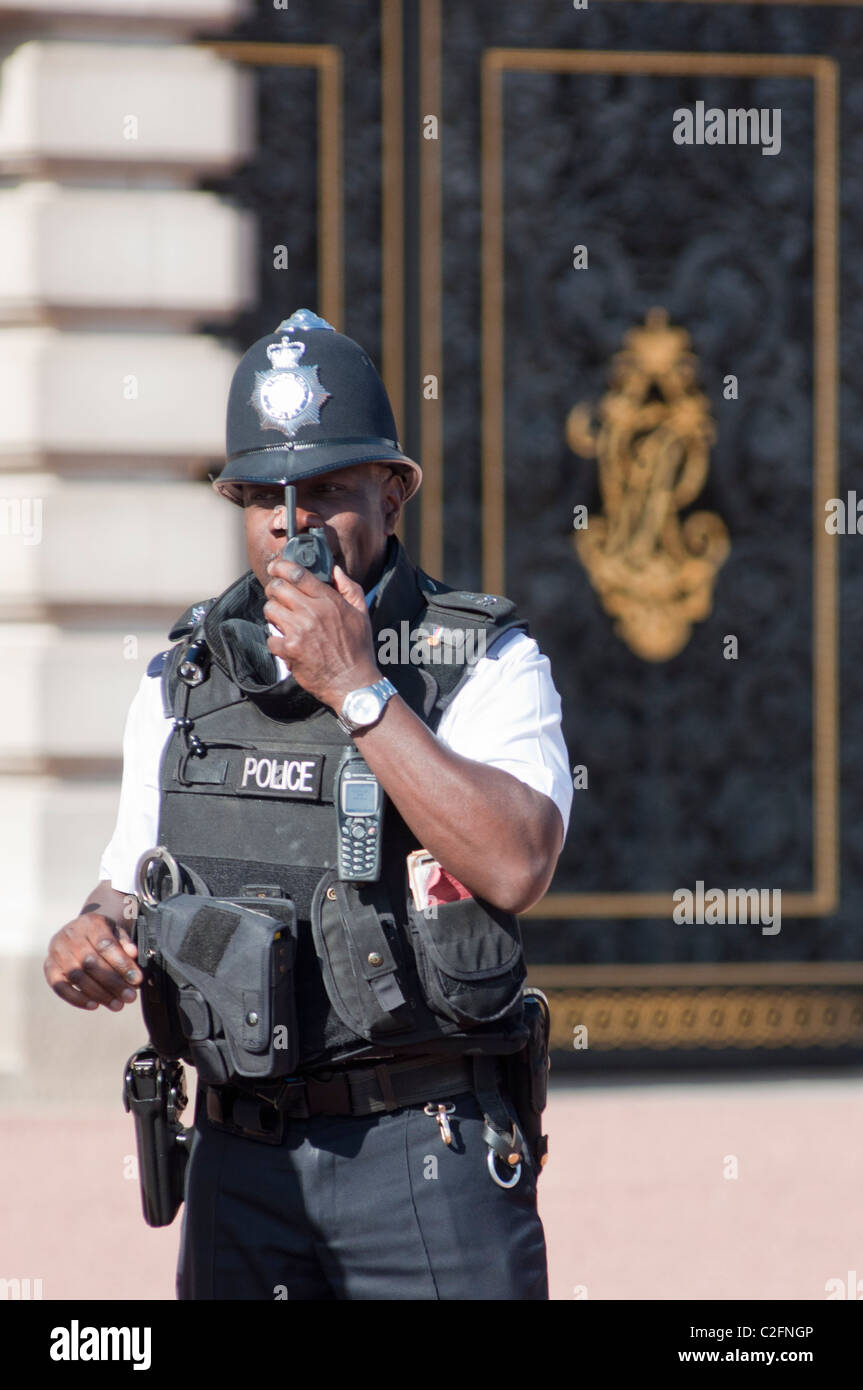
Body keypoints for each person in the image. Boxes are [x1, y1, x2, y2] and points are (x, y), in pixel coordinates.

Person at [43, 309, 573, 1301]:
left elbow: (515, 860)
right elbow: (130, 883)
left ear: (391, 495)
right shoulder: (179, 677)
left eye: (327, 490)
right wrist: (92, 933)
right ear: (236, 505)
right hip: (244, 1160)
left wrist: (357, 687)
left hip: (425, 1151)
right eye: (266, 496)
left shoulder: (485, 662)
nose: (294, 521)